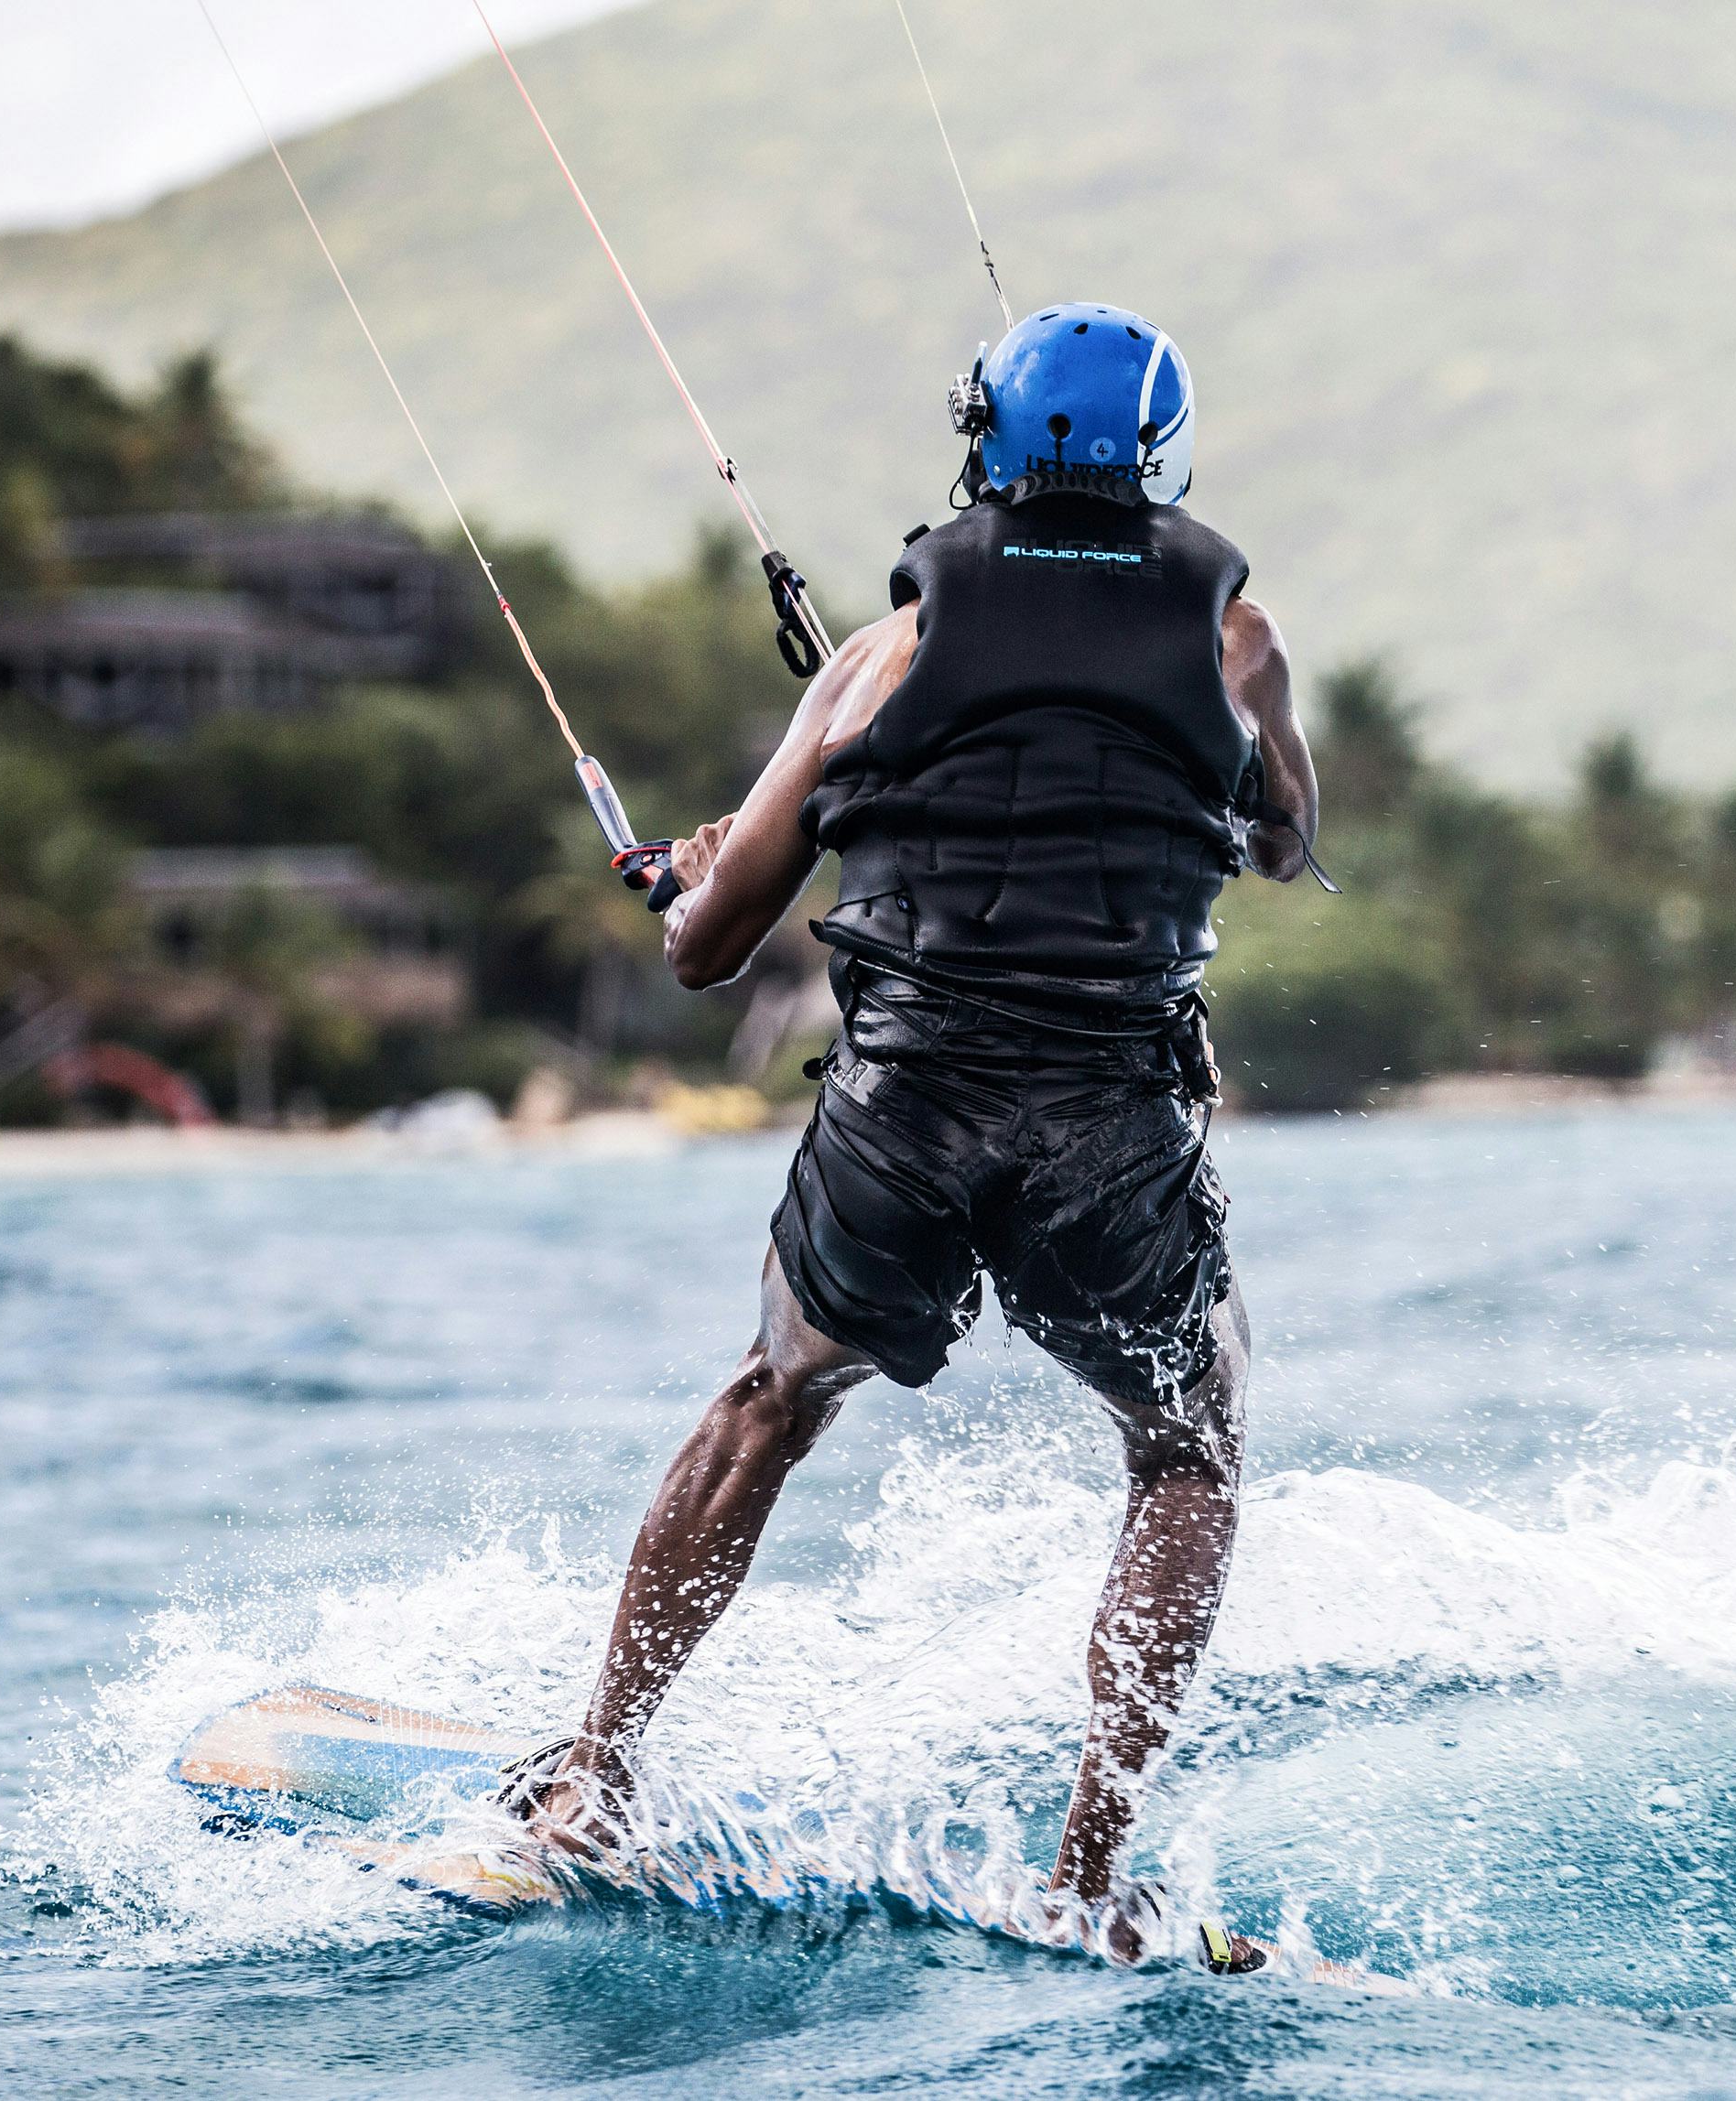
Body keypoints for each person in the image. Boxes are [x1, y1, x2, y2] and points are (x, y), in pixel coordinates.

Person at [505, 303, 1320, 1963]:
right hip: (1117, 1132)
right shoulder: (1238, 643)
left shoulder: (878, 661)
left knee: (775, 1396)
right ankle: (1089, 1875)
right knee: (1187, 1452)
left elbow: (708, 949)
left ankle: (595, 1780)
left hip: (903, 1119)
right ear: (1160, 460)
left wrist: (700, 863)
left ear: (987, 447)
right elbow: (1290, 838)